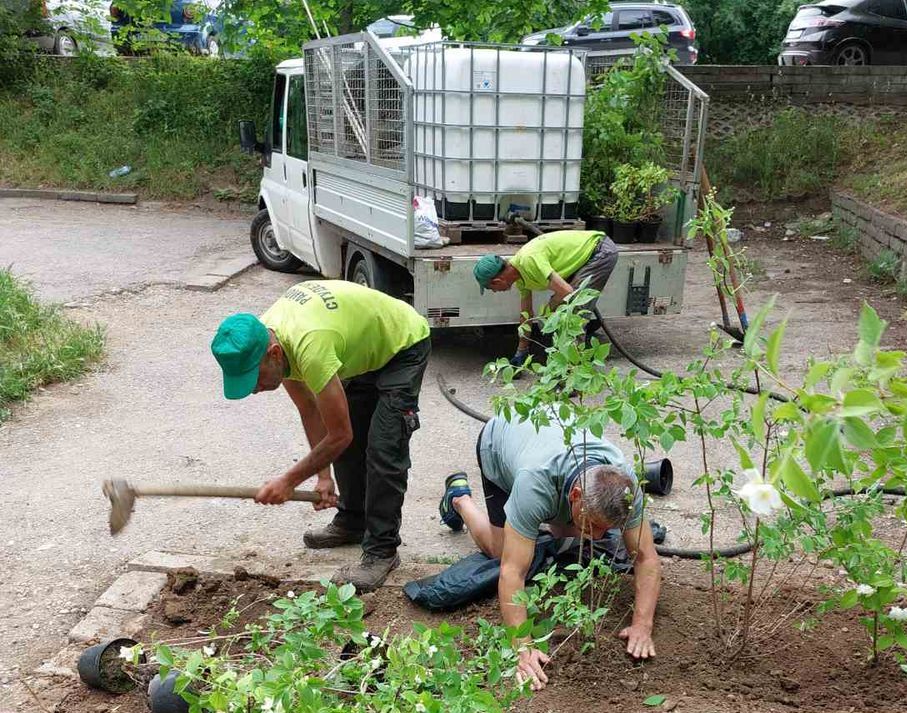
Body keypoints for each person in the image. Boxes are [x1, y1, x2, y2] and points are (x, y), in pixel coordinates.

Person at [211, 280, 430, 592]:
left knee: (384, 448)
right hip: (360, 349)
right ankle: (353, 521)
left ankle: (382, 551)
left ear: (273, 354)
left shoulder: (308, 345)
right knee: (348, 445)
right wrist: (322, 478)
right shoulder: (267, 337)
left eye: (255, 379)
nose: (254, 390)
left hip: (402, 346)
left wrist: (288, 481)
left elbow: (340, 435)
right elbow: (310, 410)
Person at [438, 415, 660, 690]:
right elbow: (512, 572)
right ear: (576, 496)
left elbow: (646, 557)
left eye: (606, 528)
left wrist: (642, 624)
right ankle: (459, 499)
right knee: (500, 550)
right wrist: (522, 647)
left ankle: (550, 522)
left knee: (572, 534)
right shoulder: (534, 484)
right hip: (500, 440)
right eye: (594, 525)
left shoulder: (626, 489)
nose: (600, 537)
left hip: (550, 447)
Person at [472, 230, 618, 365]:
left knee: (574, 314)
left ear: (497, 281)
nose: (495, 292)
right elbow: (526, 316)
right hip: (587, 257)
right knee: (562, 312)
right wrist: (521, 350)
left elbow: (567, 292)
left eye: (491, 289)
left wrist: (548, 310)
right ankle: (564, 367)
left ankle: (571, 378)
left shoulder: (529, 261)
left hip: (599, 252)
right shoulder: (521, 278)